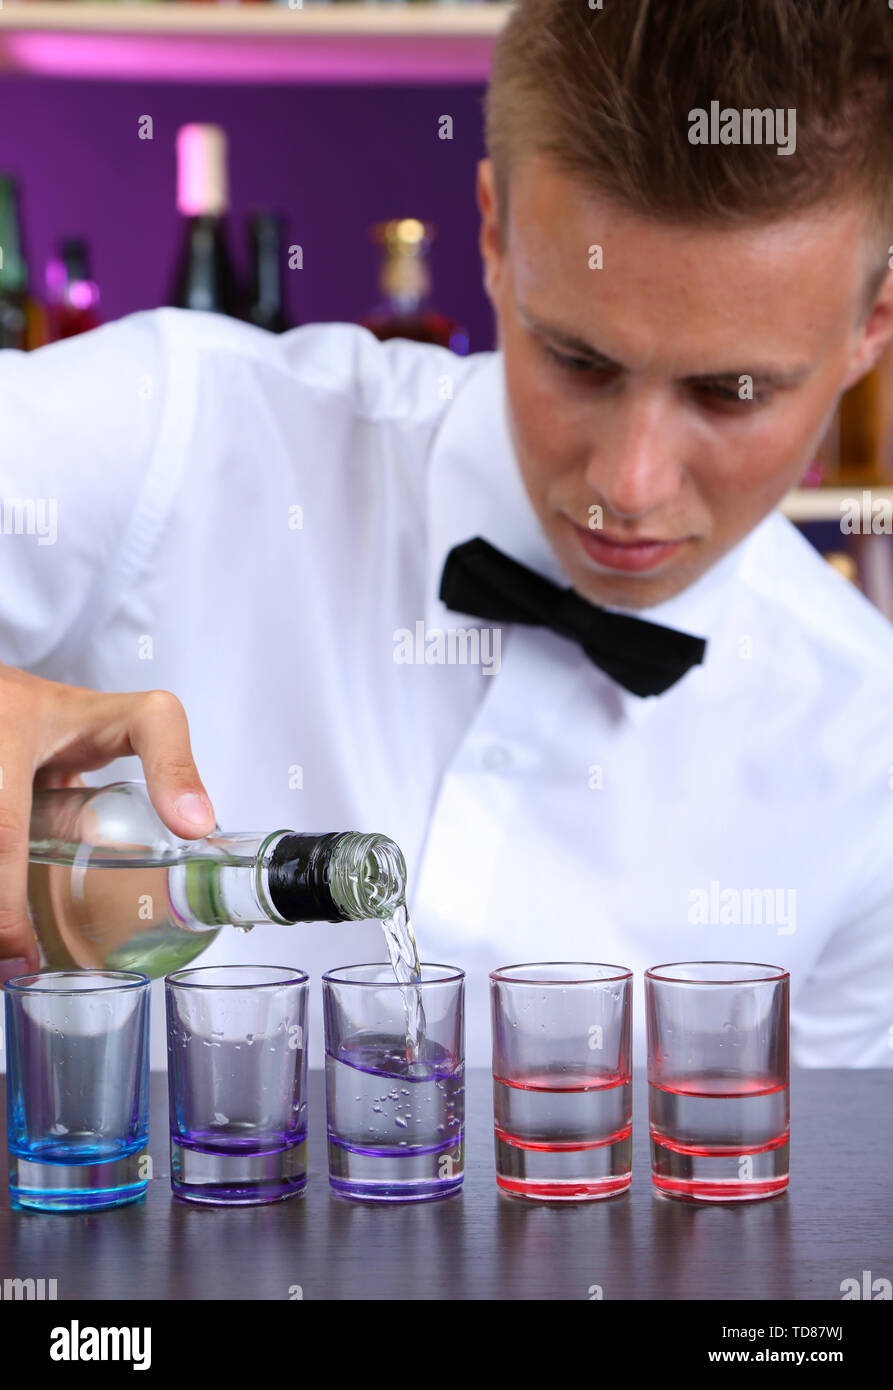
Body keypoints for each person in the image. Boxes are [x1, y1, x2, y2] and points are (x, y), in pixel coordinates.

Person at [1, 0, 892, 1071]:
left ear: (870, 327)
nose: (629, 480)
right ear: (492, 233)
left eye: (731, 393)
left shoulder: (867, 763)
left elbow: (802, 1216)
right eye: (577, 359)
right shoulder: (175, 427)